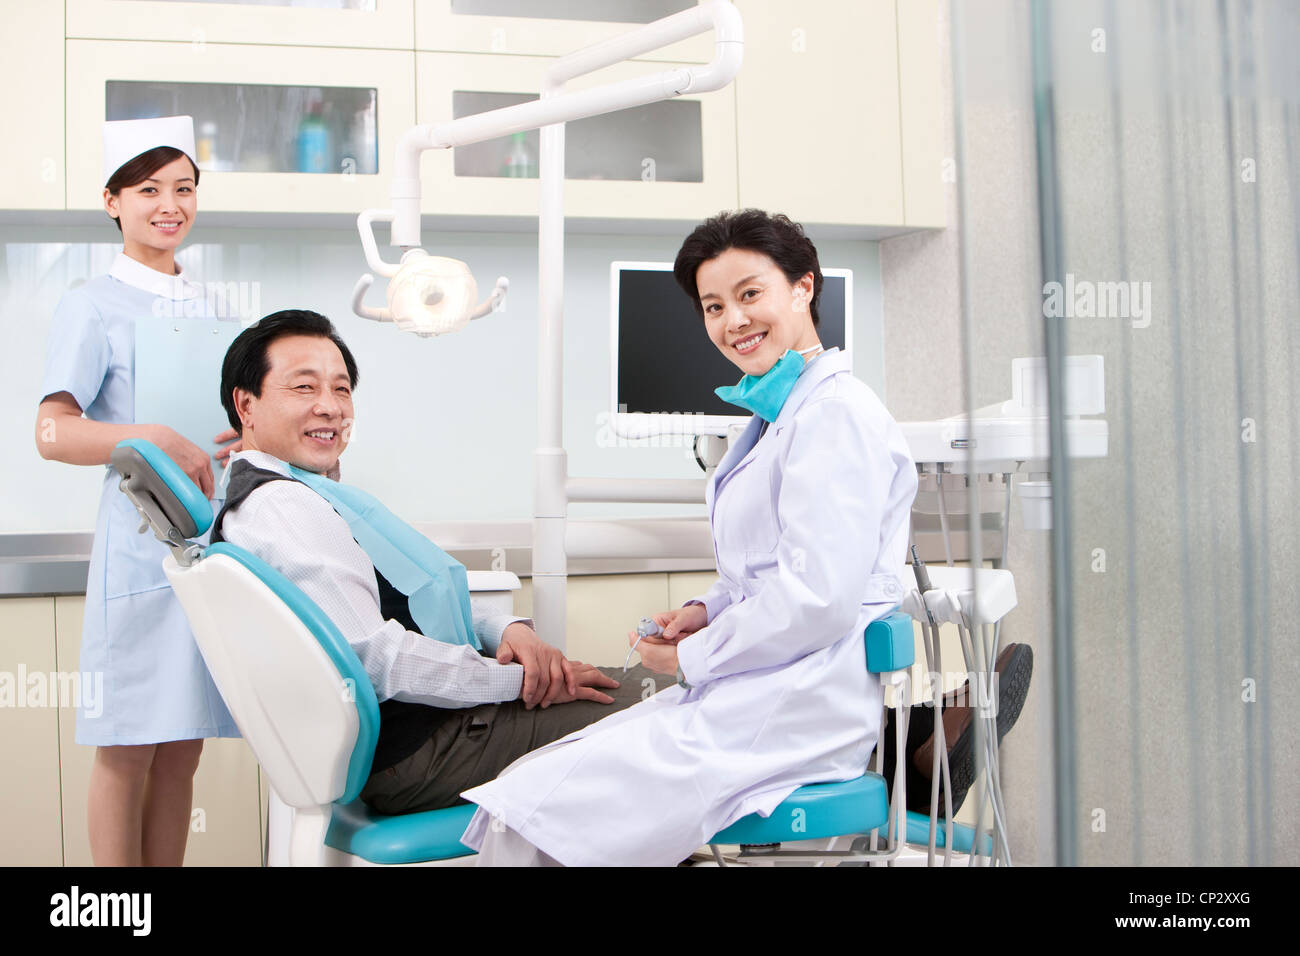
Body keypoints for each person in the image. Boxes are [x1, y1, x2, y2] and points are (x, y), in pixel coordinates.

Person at [458, 210, 920, 866]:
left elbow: (818, 597)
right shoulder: (776, 418)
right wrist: (706, 611)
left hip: (797, 706)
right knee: (531, 795)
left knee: (532, 815)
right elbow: (763, 574)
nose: (733, 321)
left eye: (750, 294)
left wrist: (694, 658)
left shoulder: (834, 417)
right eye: (713, 306)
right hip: (762, 692)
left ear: (804, 288)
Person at [211, 310, 675, 815]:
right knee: (679, 706)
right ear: (246, 404)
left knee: (651, 706)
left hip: (424, 741)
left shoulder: (287, 495)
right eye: (304, 388)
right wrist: (523, 682)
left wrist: (505, 629)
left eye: (341, 390)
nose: (330, 407)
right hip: (424, 753)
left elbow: (400, 600)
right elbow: (378, 660)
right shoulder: (285, 507)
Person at [35, 116, 241, 866]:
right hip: (137, 549)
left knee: (182, 752)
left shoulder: (214, 310)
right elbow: (51, 432)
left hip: (207, 548)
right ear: (112, 200)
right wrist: (147, 435)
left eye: (184, 188)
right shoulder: (92, 305)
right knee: (127, 749)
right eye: (149, 188)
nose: (170, 203)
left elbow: (224, 423)